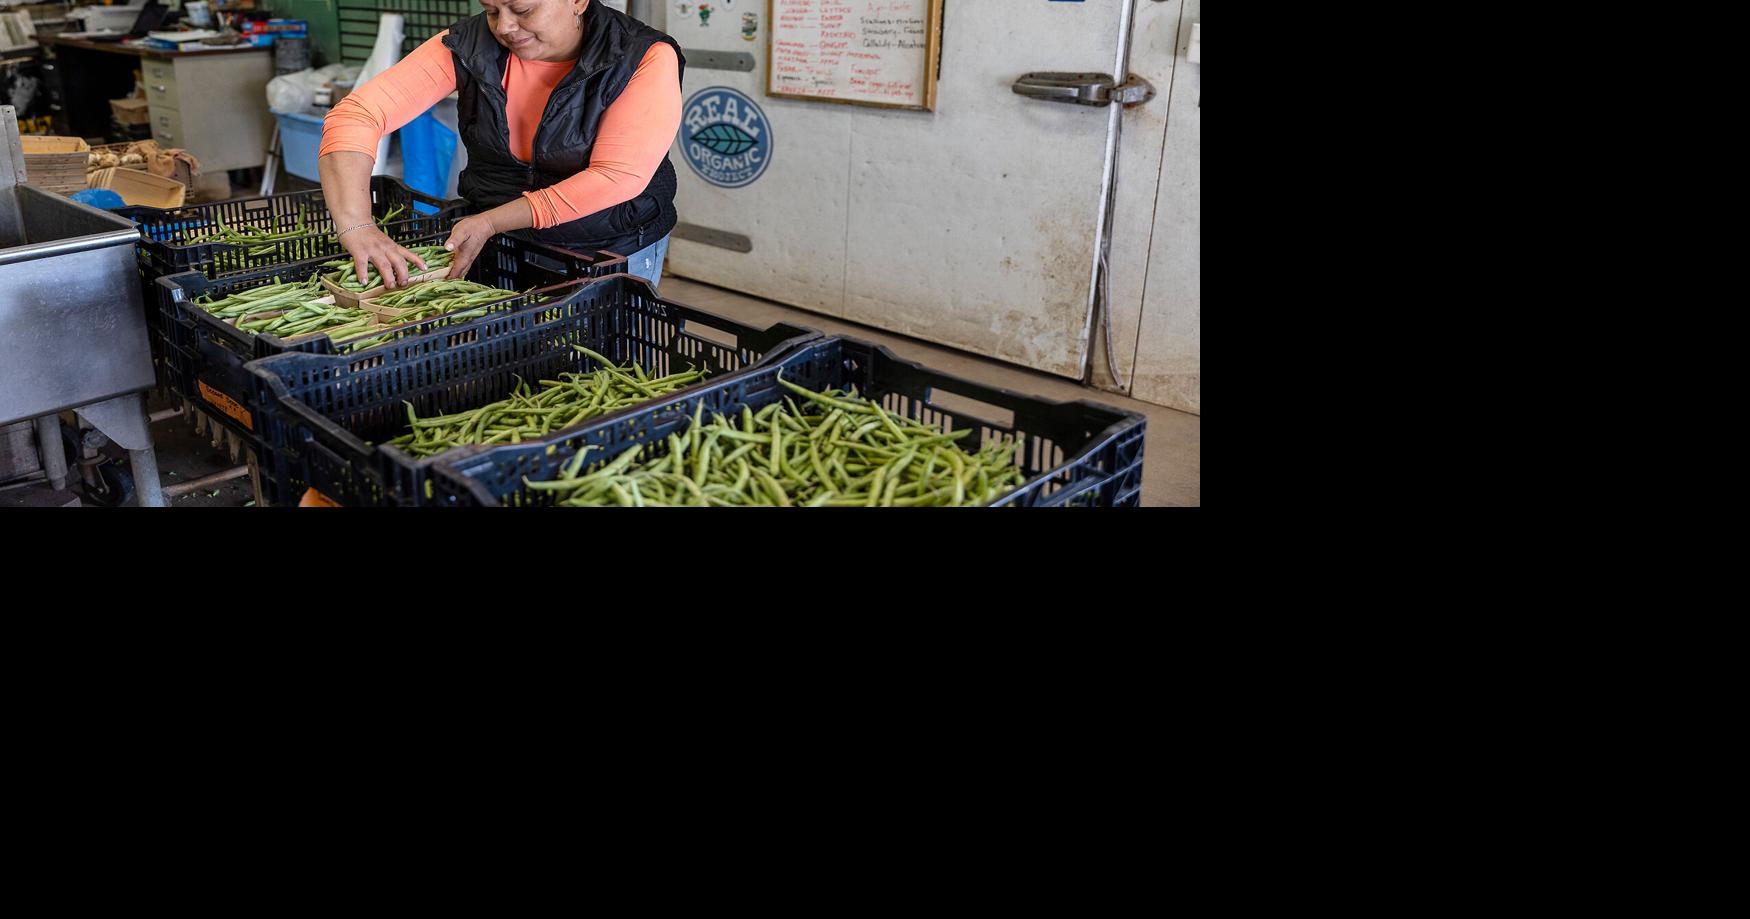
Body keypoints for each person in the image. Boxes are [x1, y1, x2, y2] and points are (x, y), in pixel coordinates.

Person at [316, 0, 684, 291]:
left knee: (594, 359)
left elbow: (616, 177)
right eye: (491, 10)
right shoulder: (469, 44)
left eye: (522, 10)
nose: (505, 27)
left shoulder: (640, 55)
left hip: (609, 246)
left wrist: (492, 220)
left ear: (578, 0)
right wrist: (356, 225)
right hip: (502, 246)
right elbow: (357, 114)